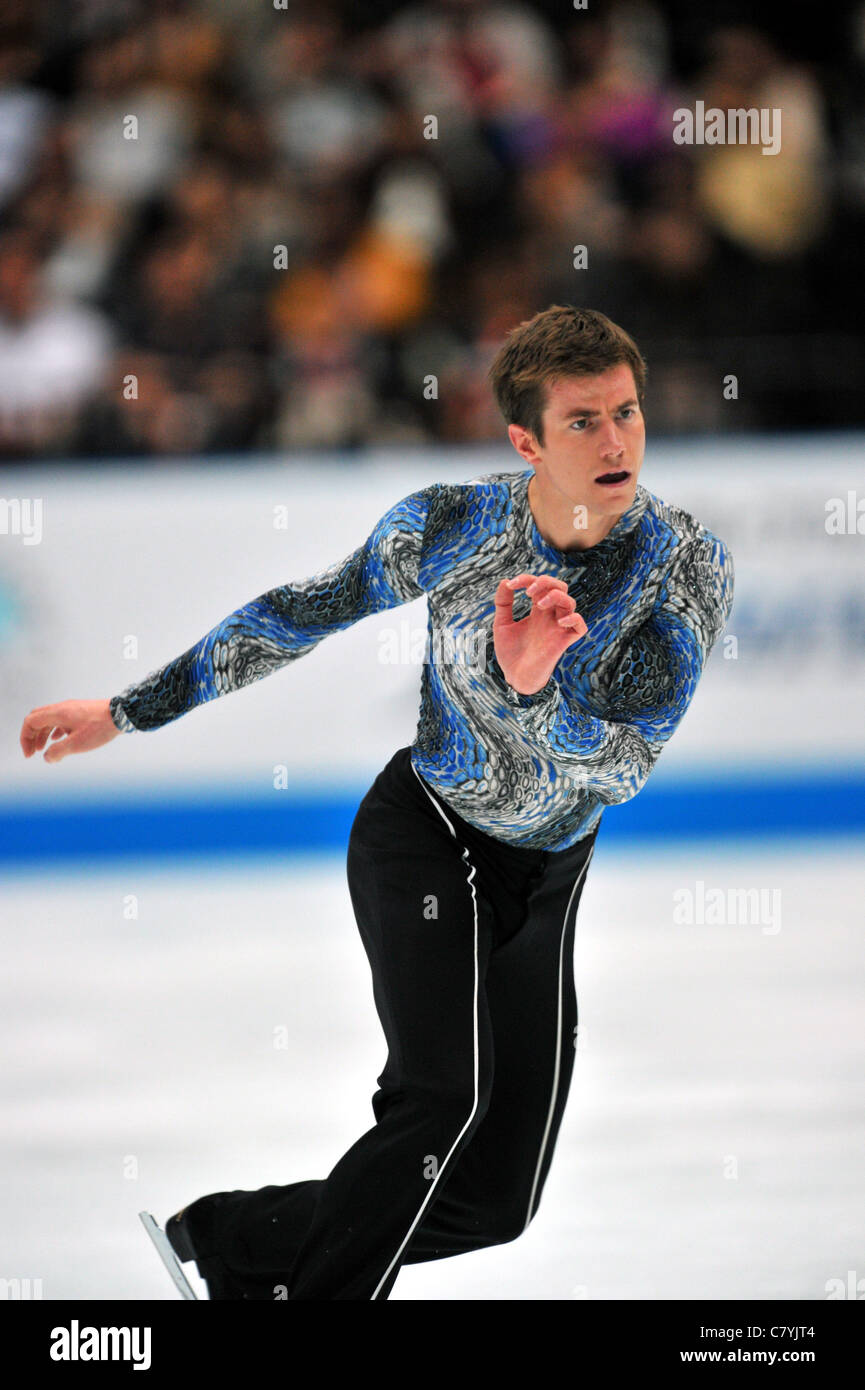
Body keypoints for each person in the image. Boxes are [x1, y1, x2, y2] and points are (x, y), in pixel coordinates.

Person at [19, 305, 734, 1300]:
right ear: (525, 439)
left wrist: (534, 697)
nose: (615, 441)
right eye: (582, 421)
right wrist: (129, 710)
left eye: (626, 412)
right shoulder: (455, 526)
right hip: (425, 838)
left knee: (496, 1200)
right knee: (439, 1101)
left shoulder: (683, 566)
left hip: (549, 876)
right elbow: (300, 612)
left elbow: (624, 768)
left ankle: (231, 1239)